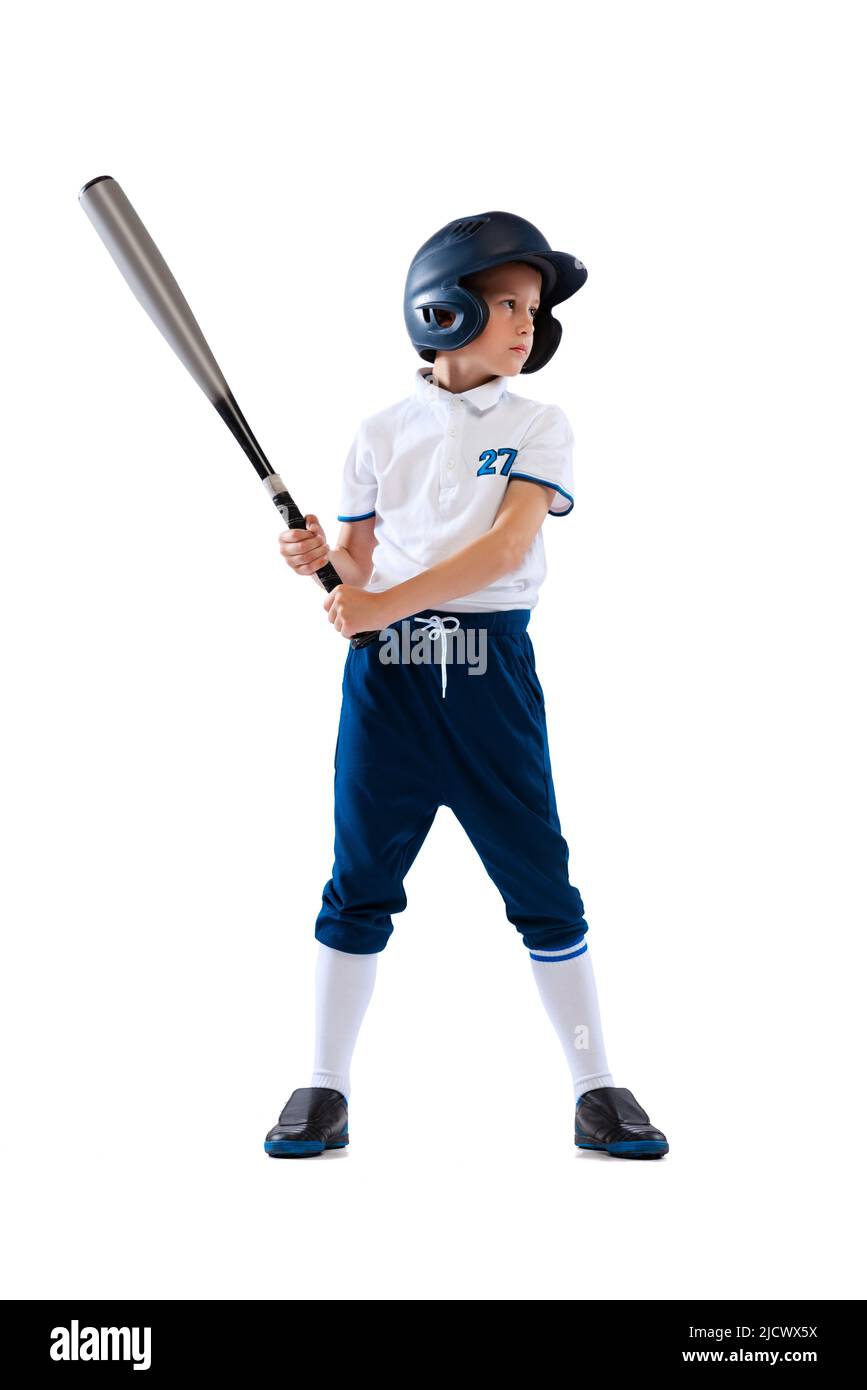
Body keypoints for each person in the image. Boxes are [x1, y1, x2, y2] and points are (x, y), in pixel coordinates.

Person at [264, 211, 669, 1160]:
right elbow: (358, 575)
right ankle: (322, 1086)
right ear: (440, 312)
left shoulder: (539, 423)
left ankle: (594, 1083)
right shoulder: (378, 431)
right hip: (390, 687)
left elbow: (505, 547)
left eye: (532, 308)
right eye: (503, 305)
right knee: (358, 880)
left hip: (489, 674)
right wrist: (319, 559)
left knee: (540, 881)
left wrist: (382, 601)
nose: (526, 325)